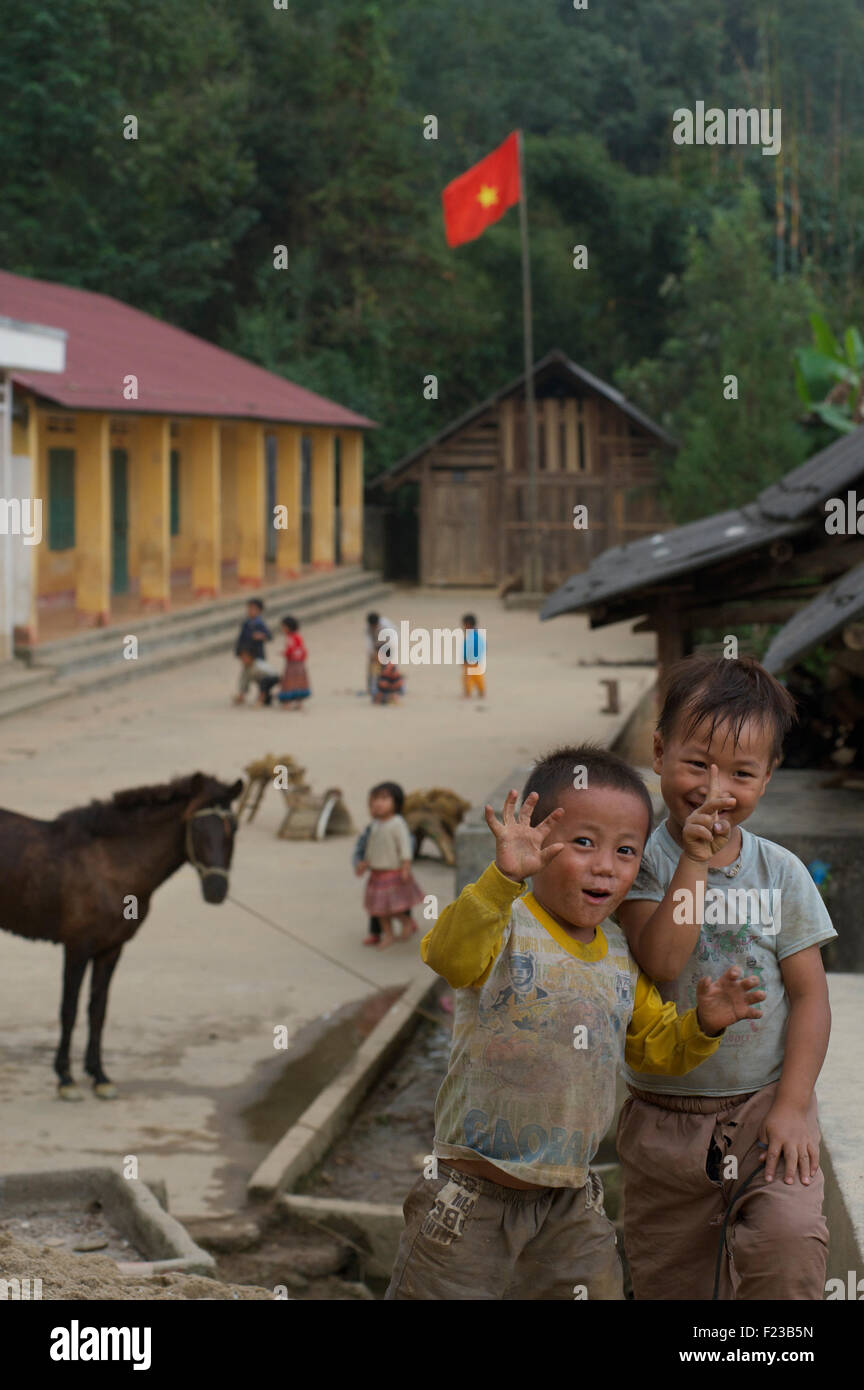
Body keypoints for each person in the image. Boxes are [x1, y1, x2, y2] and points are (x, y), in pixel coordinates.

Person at [385, 745, 764, 1300]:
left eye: (626, 850)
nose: (605, 866)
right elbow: (447, 956)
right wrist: (499, 880)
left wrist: (703, 1025)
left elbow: (651, 1049)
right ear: (536, 840)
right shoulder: (506, 919)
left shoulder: (618, 952)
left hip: (570, 1203)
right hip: (469, 1194)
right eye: (583, 843)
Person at [615, 654, 837, 1301]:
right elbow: (662, 962)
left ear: (768, 777)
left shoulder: (783, 874)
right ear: (658, 752)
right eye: (697, 764)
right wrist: (695, 857)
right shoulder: (637, 862)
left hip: (765, 1108)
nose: (717, 789)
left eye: (740, 773)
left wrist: (794, 1108)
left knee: (789, 1245)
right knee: (673, 1283)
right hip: (663, 1122)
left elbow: (810, 997)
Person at [355, 781, 423, 949]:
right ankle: (388, 934)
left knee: (395, 907)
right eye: (375, 799)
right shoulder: (375, 825)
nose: (379, 803)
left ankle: (406, 922)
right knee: (379, 910)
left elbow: (405, 845)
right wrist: (365, 863)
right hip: (377, 874)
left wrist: (406, 865)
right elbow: (371, 846)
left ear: (396, 802)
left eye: (384, 798)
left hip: (393, 873)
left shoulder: (397, 824)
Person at [233, 598, 271, 705]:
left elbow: (269, 636)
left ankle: (263, 696)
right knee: (245, 676)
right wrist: (239, 652)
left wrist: (261, 636)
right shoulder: (246, 623)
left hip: (257, 655)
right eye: (249, 609)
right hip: (246, 655)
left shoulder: (260, 624)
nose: (250, 611)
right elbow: (241, 638)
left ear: (259, 611)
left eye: (253, 609)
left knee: (258, 676)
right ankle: (242, 694)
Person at [277, 615, 310, 710]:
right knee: (299, 682)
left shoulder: (290, 638)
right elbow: (303, 650)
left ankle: (287, 703)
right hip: (300, 664)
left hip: (292, 664)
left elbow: (291, 650)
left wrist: (284, 653)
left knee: (289, 683)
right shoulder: (298, 637)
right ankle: (299, 703)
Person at [364, 610, 394, 696]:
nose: (373, 627)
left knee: (388, 666)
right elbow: (368, 642)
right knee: (372, 666)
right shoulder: (368, 628)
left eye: (375, 626)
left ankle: (391, 686)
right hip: (376, 645)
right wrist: (372, 653)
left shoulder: (386, 626)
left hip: (387, 644)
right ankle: (371, 688)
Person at [461, 613, 486, 700]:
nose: (464, 626)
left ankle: (468, 693)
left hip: (471, 660)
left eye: (465, 624)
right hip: (475, 661)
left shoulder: (472, 636)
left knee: (469, 677)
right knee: (477, 677)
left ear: (469, 624)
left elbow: (468, 648)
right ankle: (481, 691)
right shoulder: (475, 635)